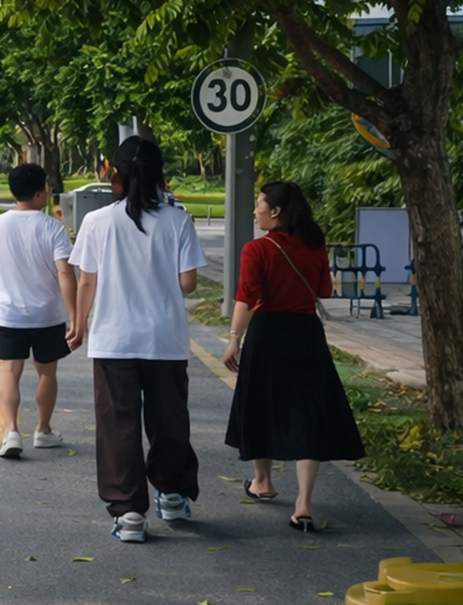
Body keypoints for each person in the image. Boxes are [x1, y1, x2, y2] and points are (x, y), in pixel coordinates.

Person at [70, 136, 208, 543]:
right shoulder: (178, 220)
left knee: (117, 425)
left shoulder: (97, 222)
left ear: (117, 176)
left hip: (113, 339)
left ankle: (128, 513)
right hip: (164, 339)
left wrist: (79, 325)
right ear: (159, 176)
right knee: (169, 420)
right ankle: (171, 493)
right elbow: (188, 284)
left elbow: (87, 282)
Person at [223, 180, 365, 532]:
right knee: (307, 413)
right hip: (305, 334)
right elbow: (323, 291)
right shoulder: (315, 246)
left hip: (267, 334)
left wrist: (233, 340)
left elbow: (246, 298)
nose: (255, 209)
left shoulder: (256, 250)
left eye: (259, 203)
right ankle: (303, 504)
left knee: (261, 403)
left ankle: (263, 482)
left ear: (275, 212)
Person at [0, 163, 78, 459]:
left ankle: (10, 432)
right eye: (46, 186)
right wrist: (73, 315)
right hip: (48, 315)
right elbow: (65, 274)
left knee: (9, 370)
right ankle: (43, 431)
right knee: (47, 373)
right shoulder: (53, 228)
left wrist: (0, 295)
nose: (48, 190)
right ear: (38, 192)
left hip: (9, 314)